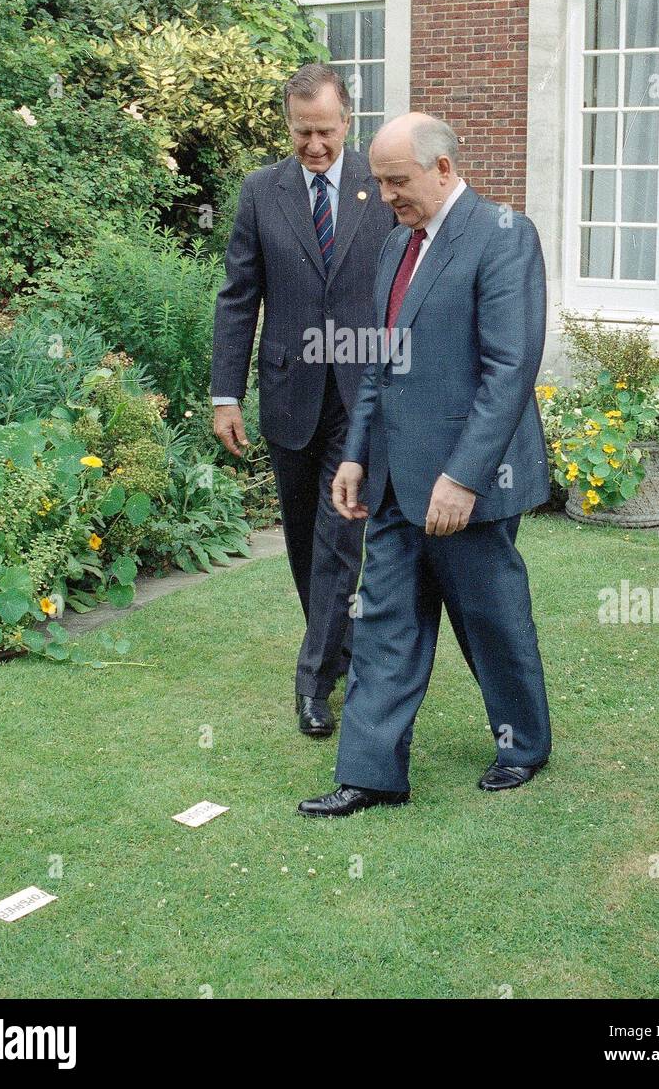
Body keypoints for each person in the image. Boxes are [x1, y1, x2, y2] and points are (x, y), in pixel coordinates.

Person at [298, 112, 552, 817]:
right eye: (378, 183)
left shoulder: (504, 237)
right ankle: (372, 774)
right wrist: (355, 458)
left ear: (442, 168)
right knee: (382, 625)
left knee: (490, 622)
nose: (385, 196)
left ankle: (523, 745)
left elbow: (509, 371)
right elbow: (379, 368)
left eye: (396, 181)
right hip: (394, 482)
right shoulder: (394, 249)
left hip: (471, 485)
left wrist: (464, 477)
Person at [209, 64, 394, 737]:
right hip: (289, 395)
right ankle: (339, 649)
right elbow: (238, 296)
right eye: (301, 132)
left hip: (357, 397)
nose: (314, 145)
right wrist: (225, 394)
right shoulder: (262, 191)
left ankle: (312, 683)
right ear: (288, 124)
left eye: (325, 131)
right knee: (302, 543)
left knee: (340, 540)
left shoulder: (383, 187)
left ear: (349, 120)